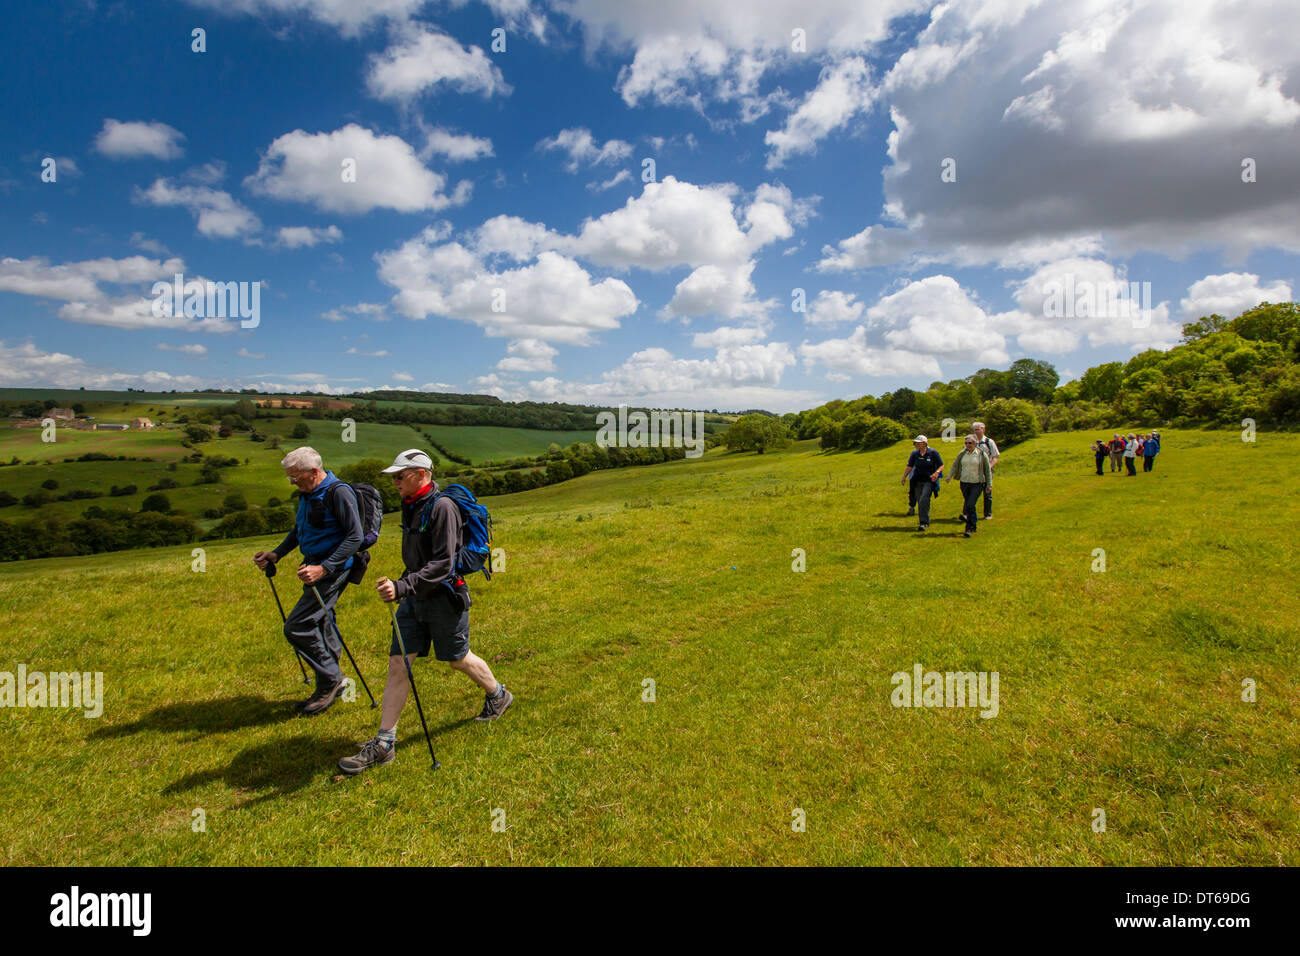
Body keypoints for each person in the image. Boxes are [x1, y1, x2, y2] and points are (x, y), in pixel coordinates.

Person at [339, 449, 512, 775]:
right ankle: (384, 743)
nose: (394, 482)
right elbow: (418, 560)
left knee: (457, 658)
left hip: (444, 600)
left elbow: (443, 564)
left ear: (420, 474)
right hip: (414, 599)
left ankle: (498, 694)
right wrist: (403, 584)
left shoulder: (442, 508)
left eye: (399, 476)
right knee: (398, 663)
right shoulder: (411, 506)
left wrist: (402, 586)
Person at [253, 446, 363, 716]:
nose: (291, 482)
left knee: (297, 626)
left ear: (314, 472)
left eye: (295, 476)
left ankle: (330, 679)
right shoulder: (308, 494)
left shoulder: (338, 492)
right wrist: (276, 554)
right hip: (315, 567)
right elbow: (299, 529)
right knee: (322, 620)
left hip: (333, 569)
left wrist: (324, 569)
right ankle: (330, 681)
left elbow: (355, 537)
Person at [945, 435, 992, 538]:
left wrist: (989, 484)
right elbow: (955, 465)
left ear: (975, 444)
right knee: (970, 505)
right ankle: (973, 524)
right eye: (966, 443)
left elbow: (987, 470)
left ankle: (968, 528)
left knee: (970, 505)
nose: (967, 445)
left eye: (970, 443)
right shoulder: (962, 454)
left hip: (977, 483)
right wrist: (949, 476)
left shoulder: (981, 454)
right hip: (964, 483)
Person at [901, 435, 943, 532]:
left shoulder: (933, 453)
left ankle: (923, 523)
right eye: (915, 443)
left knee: (924, 498)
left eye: (917, 443)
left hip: (929, 480)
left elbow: (941, 465)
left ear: (924, 443)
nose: (915, 445)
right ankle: (924, 520)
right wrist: (904, 477)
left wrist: (936, 473)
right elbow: (910, 466)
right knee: (920, 501)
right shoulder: (915, 454)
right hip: (917, 480)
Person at [961, 420, 999, 522]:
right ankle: (966, 514)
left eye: (978, 429)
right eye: (975, 430)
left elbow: (995, 457)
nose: (976, 432)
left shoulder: (989, 442)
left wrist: (988, 468)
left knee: (987, 493)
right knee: (969, 493)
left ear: (983, 430)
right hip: (972, 472)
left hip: (986, 472)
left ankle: (988, 514)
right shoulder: (969, 442)